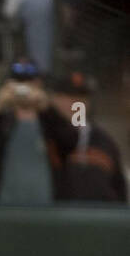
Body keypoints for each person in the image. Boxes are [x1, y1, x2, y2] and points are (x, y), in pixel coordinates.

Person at [0, 57, 76, 202]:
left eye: (30, 84)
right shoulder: (1, 118)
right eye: (19, 84)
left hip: (46, 207)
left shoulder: (48, 119)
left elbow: (70, 142)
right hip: (3, 205)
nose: (24, 90)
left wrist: (46, 108)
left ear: (39, 84)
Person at [49, 71, 126, 204]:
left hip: (98, 221)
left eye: (81, 97)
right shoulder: (43, 137)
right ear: (54, 99)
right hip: (52, 220)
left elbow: (120, 192)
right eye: (69, 96)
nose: (76, 103)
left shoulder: (104, 142)